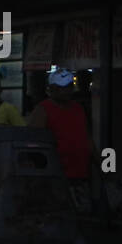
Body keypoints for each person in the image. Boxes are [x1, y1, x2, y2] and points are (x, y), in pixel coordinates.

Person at [29, 69, 94, 212]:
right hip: (55, 174)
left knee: (82, 214)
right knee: (57, 213)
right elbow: (34, 141)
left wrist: (95, 159)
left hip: (80, 173)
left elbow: (87, 136)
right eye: (61, 87)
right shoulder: (43, 110)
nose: (66, 91)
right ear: (52, 89)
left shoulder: (78, 109)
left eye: (68, 87)